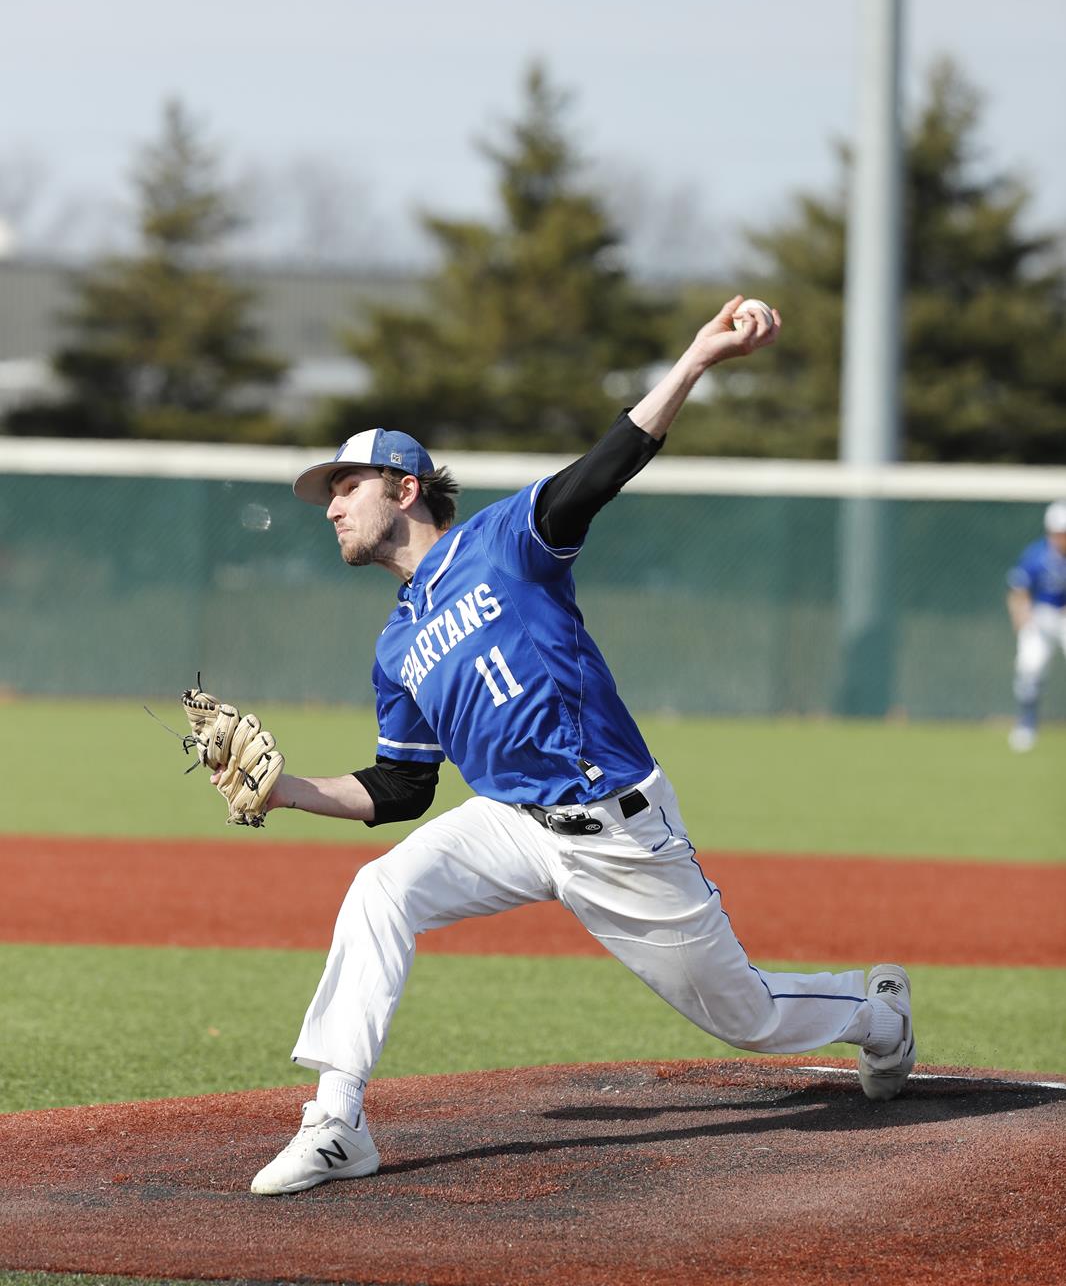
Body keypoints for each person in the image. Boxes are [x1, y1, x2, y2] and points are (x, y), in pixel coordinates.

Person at [246, 296, 916, 1196]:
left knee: (744, 1016)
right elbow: (403, 787)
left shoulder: (504, 543)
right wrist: (285, 787)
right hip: (513, 824)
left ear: (404, 489)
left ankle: (875, 1012)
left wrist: (693, 362)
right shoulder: (396, 646)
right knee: (381, 891)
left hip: (615, 826)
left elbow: (606, 467)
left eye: (345, 486)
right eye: (327, 494)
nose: (329, 506)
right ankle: (337, 1122)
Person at [1005, 500, 1066, 752]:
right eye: (1059, 533)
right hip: (1041, 615)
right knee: (1029, 666)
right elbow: (1018, 590)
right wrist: (1021, 618)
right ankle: (1027, 724)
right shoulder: (1036, 555)